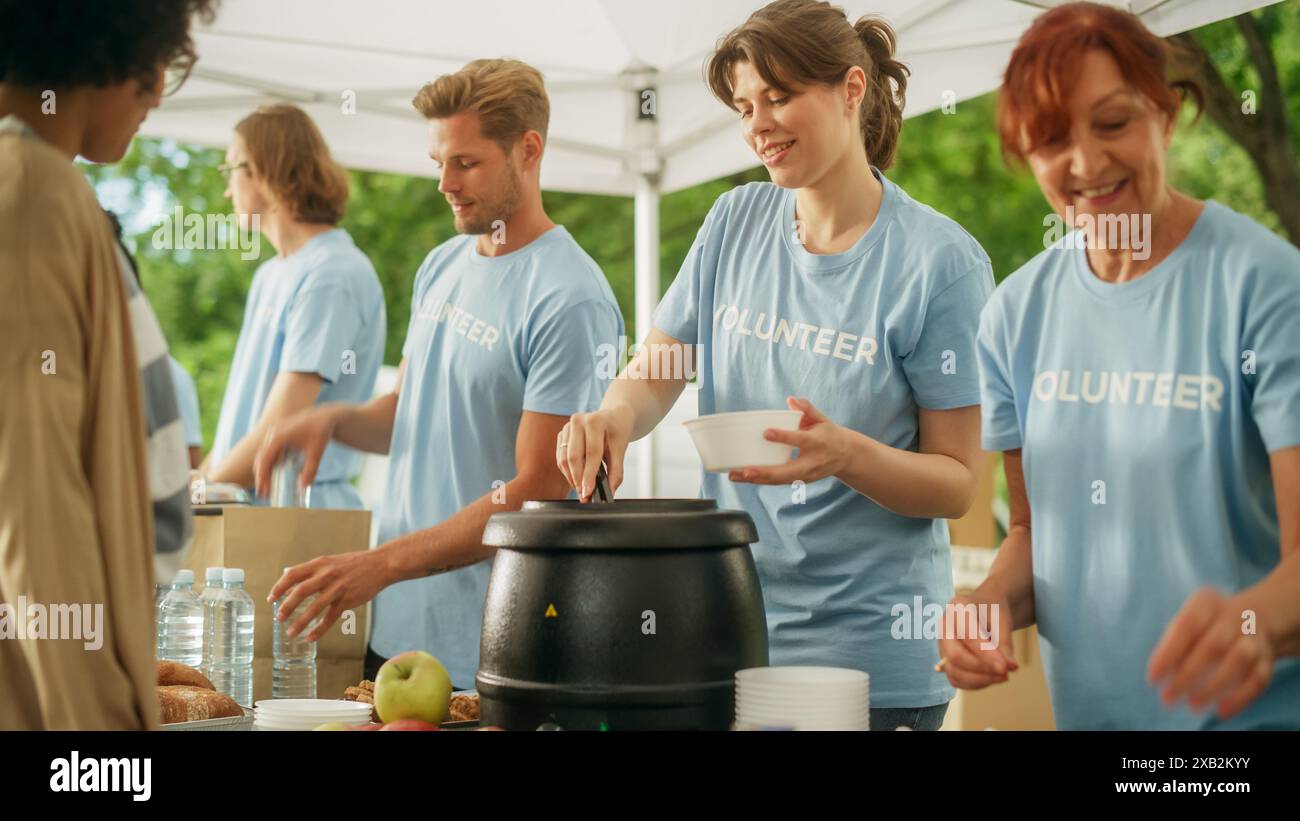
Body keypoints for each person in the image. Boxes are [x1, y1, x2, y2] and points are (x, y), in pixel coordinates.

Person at [557, 0, 993, 731]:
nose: (757, 123)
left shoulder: (940, 264)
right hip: (725, 636)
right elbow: (661, 366)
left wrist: (846, 454)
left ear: (852, 89)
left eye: (779, 96)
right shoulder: (735, 220)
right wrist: (613, 415)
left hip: (868, 670)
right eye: (744, 107)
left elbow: (958, 484)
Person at [941, 1, 1300, 729]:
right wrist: (986, 605)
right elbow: (1033, 534)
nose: (1086, 163)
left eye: (1113, 123)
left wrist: (1256, 620)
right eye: (1051, 139)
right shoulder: (1014, 314)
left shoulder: (1265, 286)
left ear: (1164, 113)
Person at [257, 60, 624, 688]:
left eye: (466, 163)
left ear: (528, 150)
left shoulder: (570, 297)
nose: (445, 184)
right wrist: (334, 420)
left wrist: (381, 564)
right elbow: (410, 410)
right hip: (394, 637)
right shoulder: (441, 264)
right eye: (438, 163)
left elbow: (540, 488)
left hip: (492, 651)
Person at [0, 0, 217, 730]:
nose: (157, 93)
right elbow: (34, 503)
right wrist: (98, 738)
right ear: (110, 48)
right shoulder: (31, 191)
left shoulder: (40, 183)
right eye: (159, 66)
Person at [202, 104, 385, 509]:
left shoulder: (333, 273)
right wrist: (200, 481)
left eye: (231, 169)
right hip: (248, 511)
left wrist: (198, 495)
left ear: (265, 170)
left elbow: (279, 425)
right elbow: (241, 428)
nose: (228, 190)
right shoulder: (271, 274)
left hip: (299, 515)